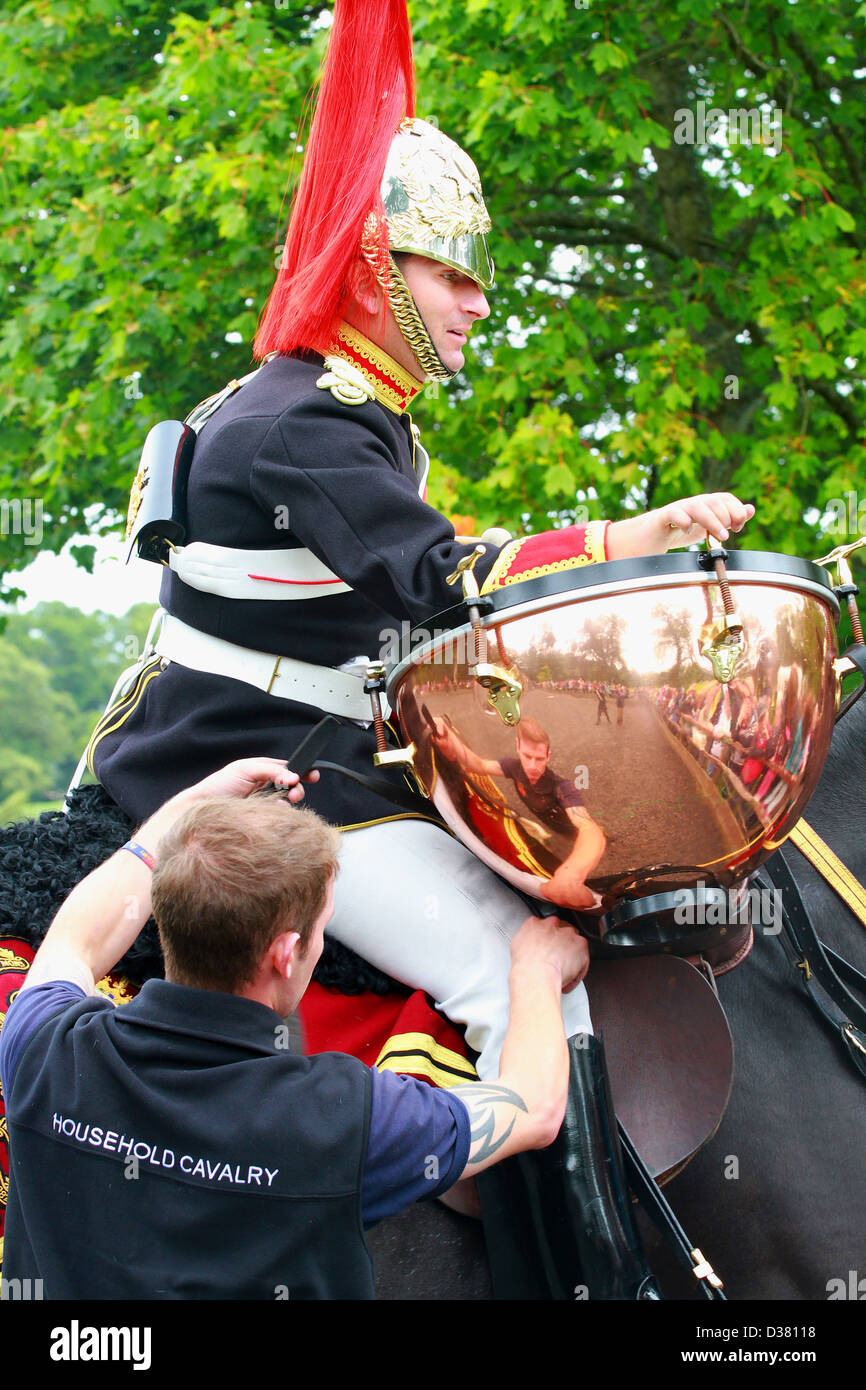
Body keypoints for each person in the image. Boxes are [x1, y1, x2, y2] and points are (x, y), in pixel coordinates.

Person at [44, 0, 754, 1297]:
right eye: (454, 273)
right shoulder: (298, 427)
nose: (479, 301)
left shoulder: (354, 416)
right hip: (261, 768)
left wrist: (621, 530)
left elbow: (425, 552)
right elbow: (449, 582)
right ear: (377, 268)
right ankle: (588, 1276)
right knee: (510, 971)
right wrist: (625, 544)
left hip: (324, 743)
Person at [0, 756, 589, 1300]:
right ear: (287, 954)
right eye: (322, 926)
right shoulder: (347, 1119)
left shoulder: (48, 1047)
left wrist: (189, 809)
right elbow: (533, 1110)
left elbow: (76, 940)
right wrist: (535, 970)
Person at [432, 715, 606, 909]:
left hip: (574, 832)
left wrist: (571, 872)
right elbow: (478, 765)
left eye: (539, 759)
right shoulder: (515, 767)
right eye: (527, 756)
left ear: (548, 756)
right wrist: (447, 732)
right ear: (517, 748)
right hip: (556, 833)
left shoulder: (562, 787)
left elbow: (590, 828)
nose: (532, 766)